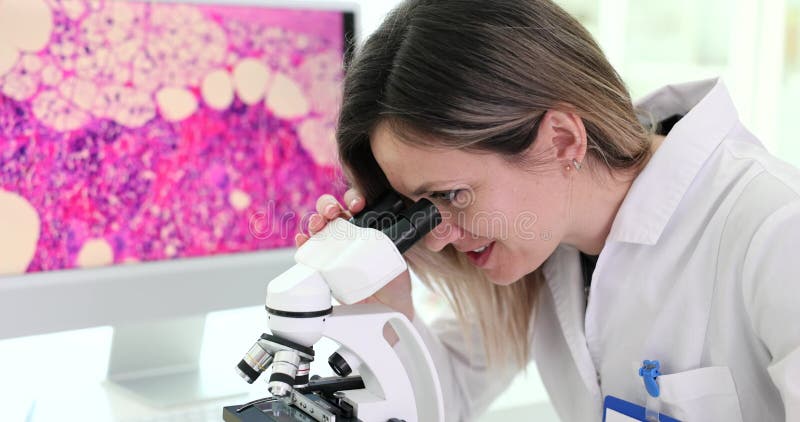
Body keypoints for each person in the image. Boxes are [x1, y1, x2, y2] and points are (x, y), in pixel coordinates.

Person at [294, 0, 800, 420]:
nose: (437, 236)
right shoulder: (548, 244)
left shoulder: (776, 230)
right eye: (413, 208)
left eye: (449, 195)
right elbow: (440, 403)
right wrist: (383, 307)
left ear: (561, 141)